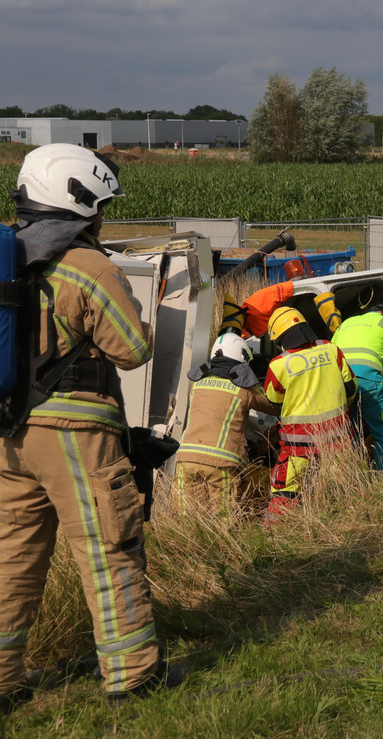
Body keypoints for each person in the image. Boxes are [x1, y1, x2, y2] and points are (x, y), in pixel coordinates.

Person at [0, 145, 180, 706]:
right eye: (100, 205)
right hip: (76, 435)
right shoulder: (88, 265)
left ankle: (3, 682)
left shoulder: (8, 257)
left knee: (11, 557)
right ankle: (133, 675)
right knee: (110, 547)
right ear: (81, 201)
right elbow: (131, 350)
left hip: (9, 433)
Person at [263, 306, 356, 523]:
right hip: (337, 436)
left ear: (279, 337)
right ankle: (340, 525)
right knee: (337, 487)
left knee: (285, 488)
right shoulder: (331, 349)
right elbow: (351, 389)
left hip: (298, 441)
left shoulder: (279, 365)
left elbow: (273, 400)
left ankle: (273, 532)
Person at [176, 333, 278, 513]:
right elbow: (272, 405)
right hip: (222, 461)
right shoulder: (244, 387)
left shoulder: (197, 383)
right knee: (222, 519)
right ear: (242, 357)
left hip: (186, 458)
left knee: (188, 519)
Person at [331, 304, 383, 474]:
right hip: (369, 383)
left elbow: (333, 351)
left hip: (340, 384)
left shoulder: (346, 323)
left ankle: (353, 480)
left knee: (351, 435)